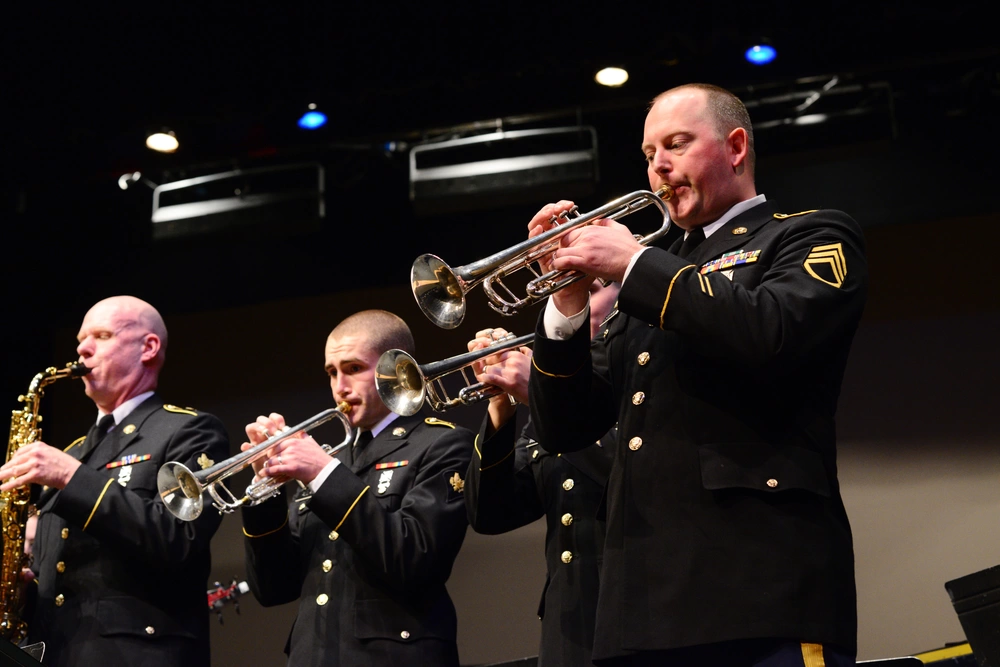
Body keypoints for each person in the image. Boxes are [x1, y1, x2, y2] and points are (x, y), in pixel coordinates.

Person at [525, 83, 868, 666]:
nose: (658, 165)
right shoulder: (657, 277)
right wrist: (567, 306)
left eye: (677, 144)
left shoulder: (809, 235)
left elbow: (769, 332)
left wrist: (633, 263)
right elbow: (565, 429)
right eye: (649, 152)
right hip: (643, 603)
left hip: (761, 589)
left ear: (735, 147)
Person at [0, 295, 230, 666]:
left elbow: (178, 538)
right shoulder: (73, 452)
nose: (82, 349)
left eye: (101, 336)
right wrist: (23, 590)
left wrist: (71, 477)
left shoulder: (189, 430)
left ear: (148, 347)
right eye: (79, 340)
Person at [240, 309, 474, 666]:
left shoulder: (442, 443)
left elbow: (414, 560)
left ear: (397, 368)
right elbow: (274, 589)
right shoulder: (332, 459)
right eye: (331, 372)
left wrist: (322, 473)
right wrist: (265, 489)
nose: (339, 387)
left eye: (353, 368)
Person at [464, 280, 619, 667]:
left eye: (590, 325)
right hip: (568, 628)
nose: (575, 343)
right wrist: (501, 410)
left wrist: (543, 392)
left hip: (637, 611)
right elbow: (491, 514)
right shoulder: (541, 426)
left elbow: (639, 481)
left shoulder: (642, 397)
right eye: (569, 328)